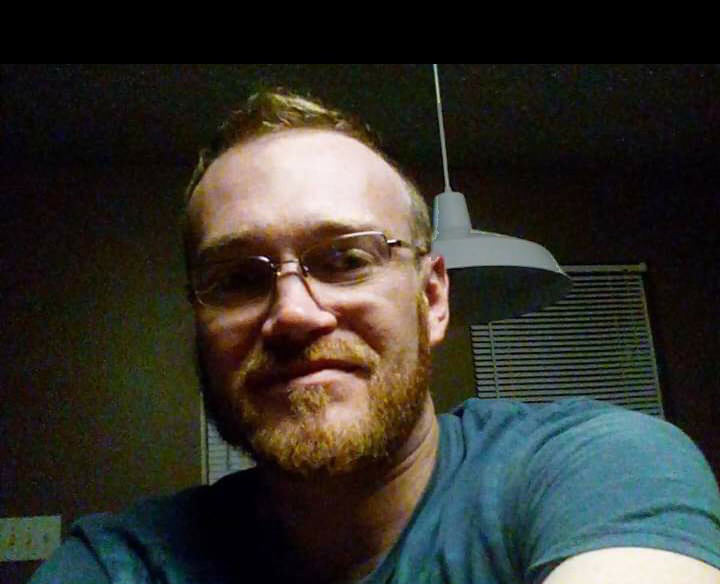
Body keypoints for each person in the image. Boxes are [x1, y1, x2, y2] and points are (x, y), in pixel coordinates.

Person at [31, 90, 720, 584]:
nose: (293, 314)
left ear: (432, 298)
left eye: (345, 259)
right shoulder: (118, 563)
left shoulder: (599, 470)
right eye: (239, 277)